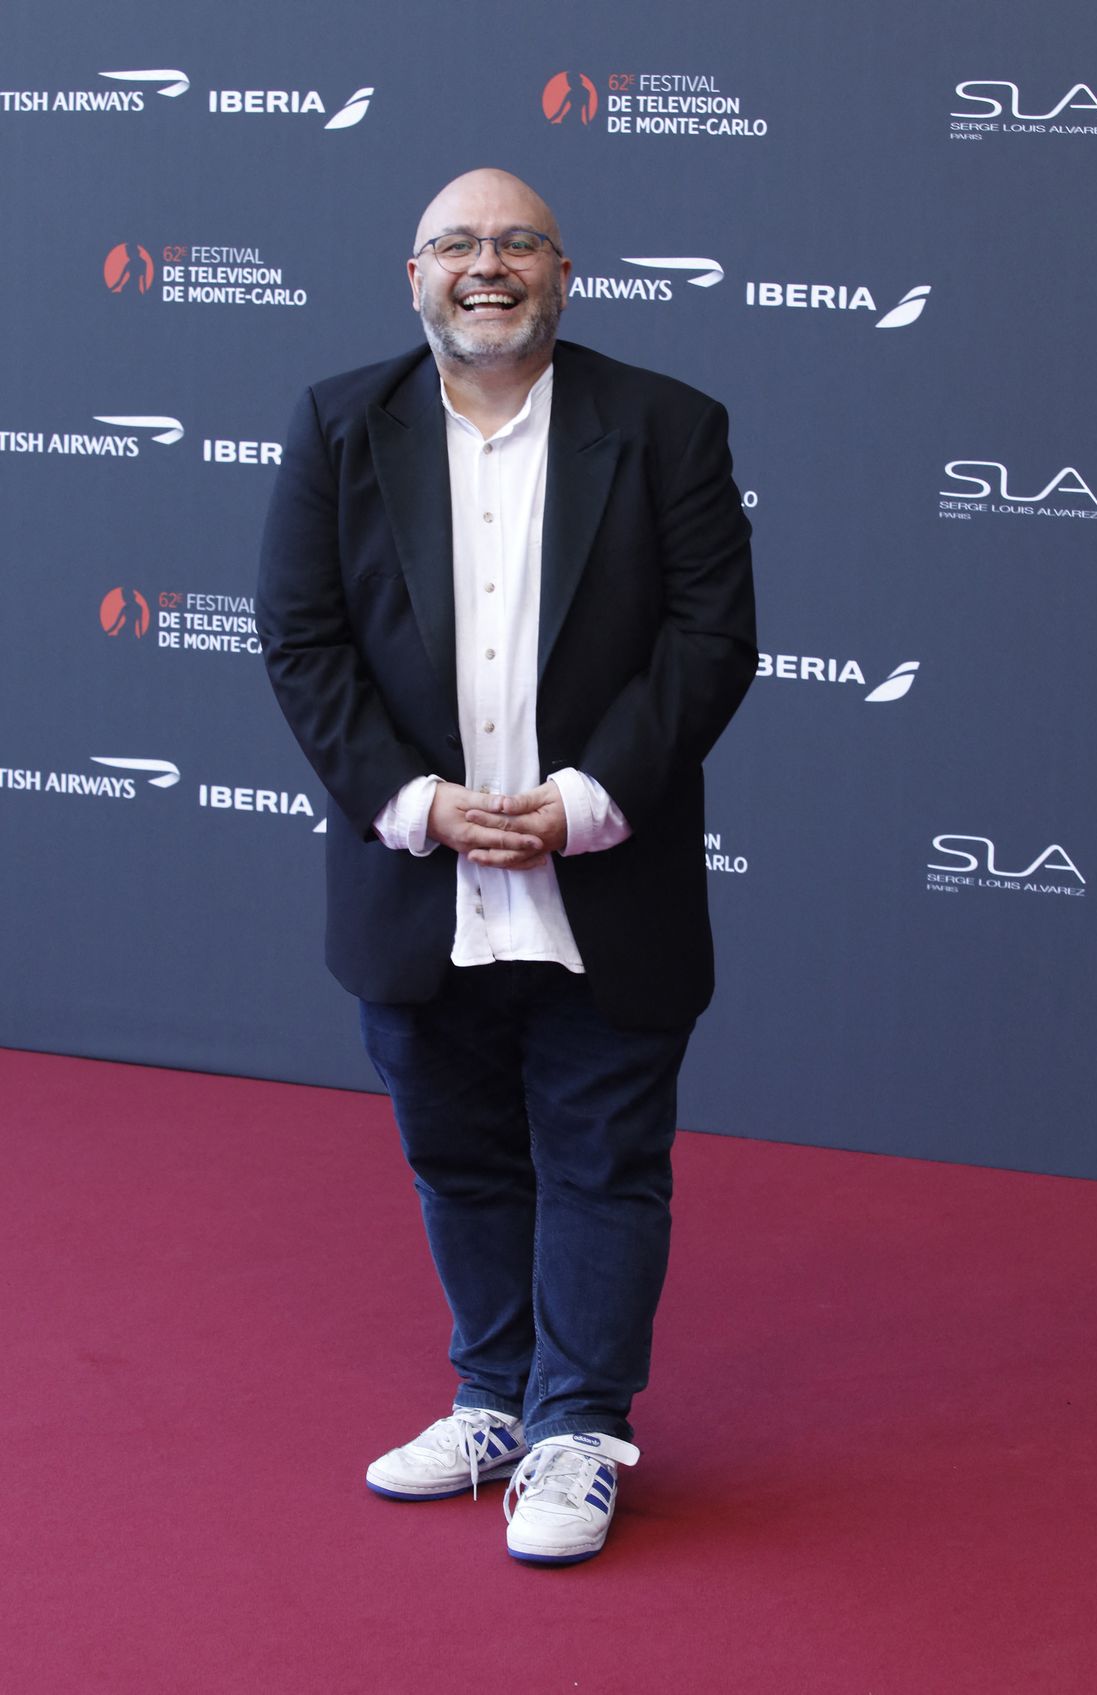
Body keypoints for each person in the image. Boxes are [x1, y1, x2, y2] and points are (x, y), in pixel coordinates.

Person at [257, 168, 755, 1565]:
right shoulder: (337, 423)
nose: (489, 265)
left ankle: (580, 1428)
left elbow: (713, 642)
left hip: (606, 872)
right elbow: (301, 642)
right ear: (410, 276)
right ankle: (494, 1400)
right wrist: (412, 803)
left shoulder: (666, 427)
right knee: (461, 1158)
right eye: (458, 244)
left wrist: (587, 800)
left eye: (518, 243)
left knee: (602, 1155)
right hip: (419, 879)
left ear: (563, 271)